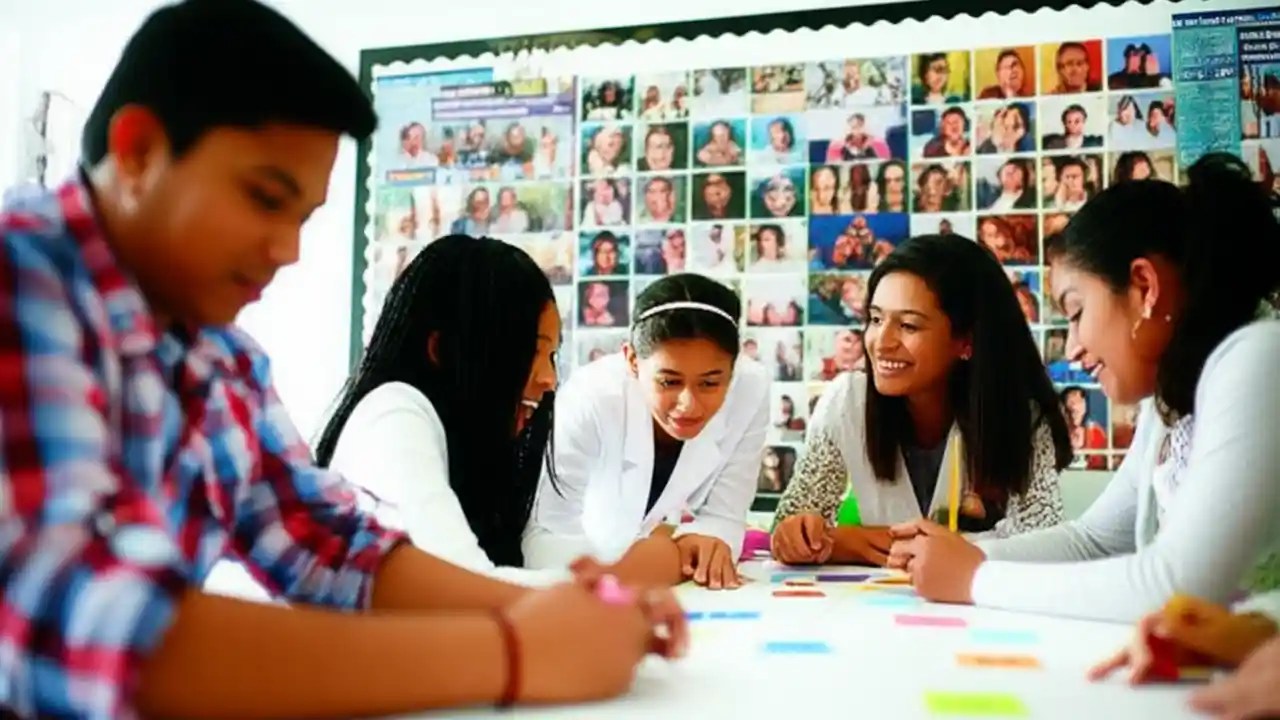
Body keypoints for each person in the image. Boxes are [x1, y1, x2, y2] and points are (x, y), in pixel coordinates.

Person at [0, 2, 687, 717]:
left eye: (301, 217)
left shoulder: (219, 358)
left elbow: (330, 546)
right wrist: (517, 653)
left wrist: (568, 619)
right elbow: (89, 630)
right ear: (139, 150)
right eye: (264, 198)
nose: (287, 250)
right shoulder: (22, 284)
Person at [887, 153, 1280, 623]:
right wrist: (960, 553)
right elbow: (1092, 541)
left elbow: (1175, 587)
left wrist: (975, 579)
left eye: (1076, 313)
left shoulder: (1259, 357)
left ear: (1144, 286)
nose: (1072, 348)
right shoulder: (1173, 401)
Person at [771, 235, 1072, 567]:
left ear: (966, 341)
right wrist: (813, 537)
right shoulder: (847, 400)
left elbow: (1043, 542)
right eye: (875, 319)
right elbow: (790, 524)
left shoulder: (1020, 415)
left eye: (908, 325)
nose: (881, 343)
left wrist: (884, 541)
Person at [314, 236, 568, 587]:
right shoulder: (394, 414)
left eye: (552, 356)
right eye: (533, 352)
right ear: (444, 349)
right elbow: (465, 589)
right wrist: (622, 584)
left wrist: (645, 557)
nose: (549, 380)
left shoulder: (478, 456)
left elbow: (531, 547)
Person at [524, 274, 770, 590]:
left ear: (734, 369)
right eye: (669, 381)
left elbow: (726, 516)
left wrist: (708, 541)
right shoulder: (592, 396)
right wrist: (662, 560)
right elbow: (543, 540)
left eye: (710, 383)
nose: (688, 405)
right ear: (632, 360)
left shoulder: (751, 388)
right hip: (582, 573)